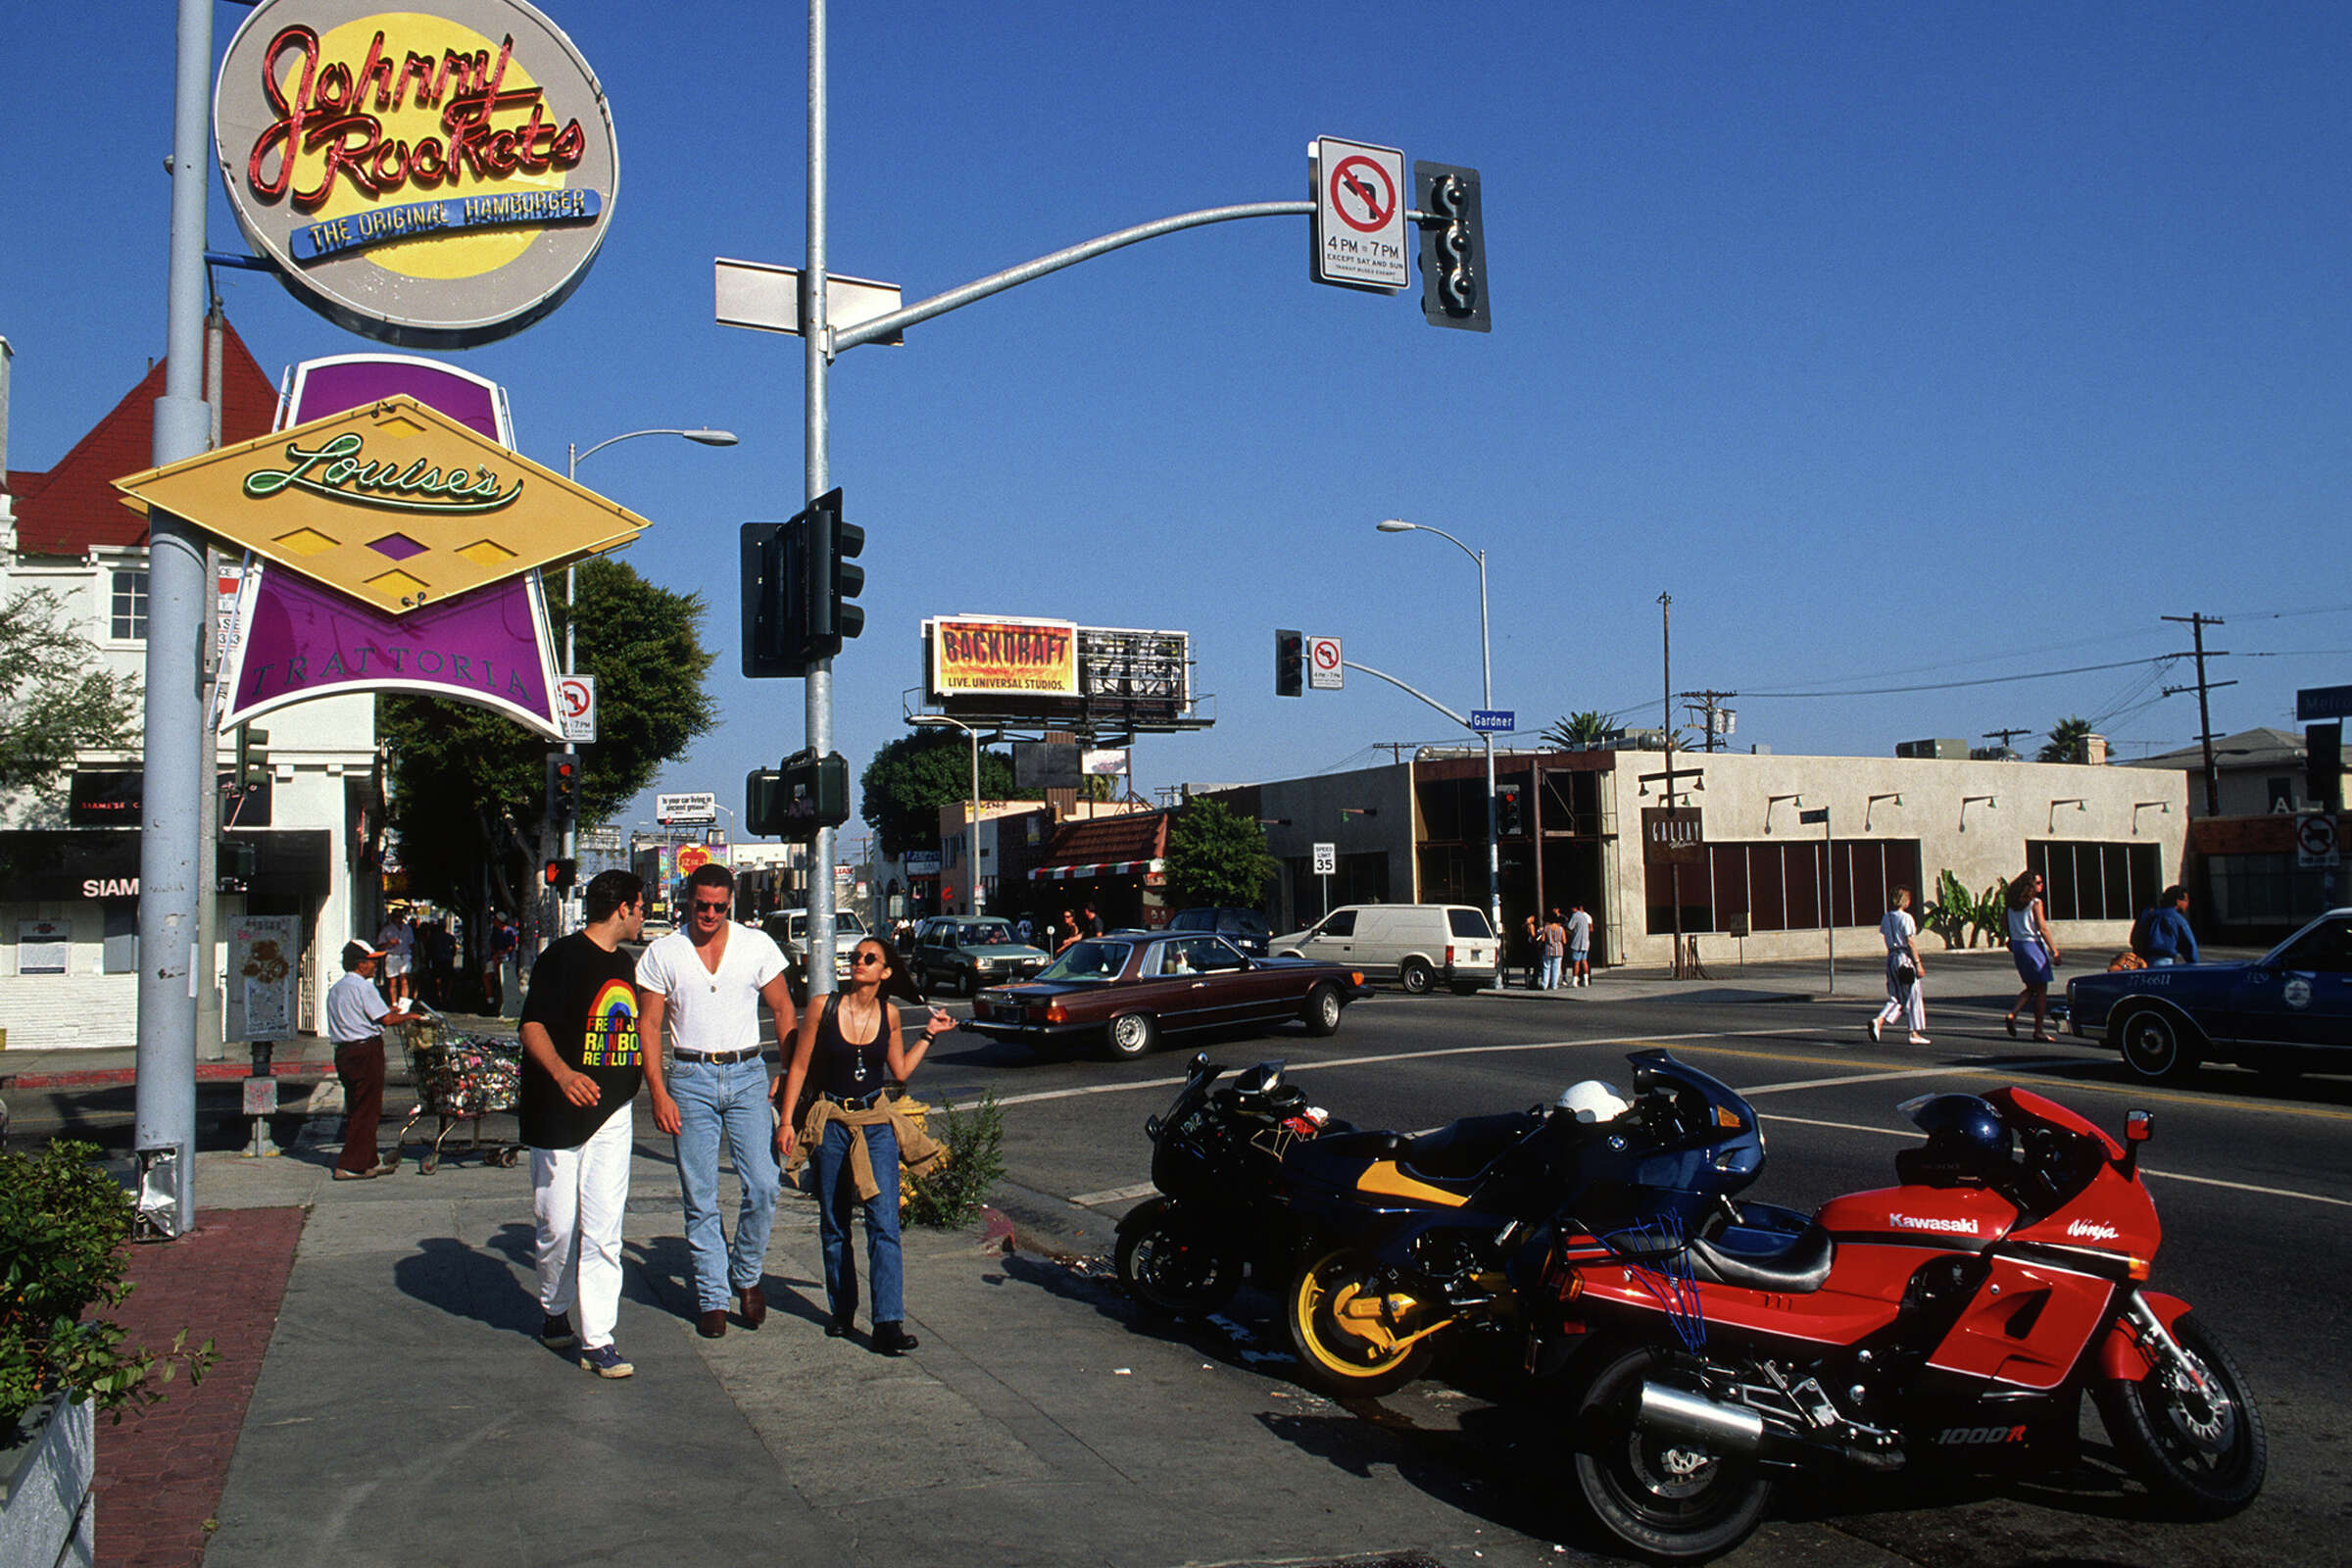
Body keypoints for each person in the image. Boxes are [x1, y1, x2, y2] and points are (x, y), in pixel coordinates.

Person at [636, 864, 796, 1339]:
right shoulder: (663, 952)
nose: (709, 914)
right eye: (701, 905)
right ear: (688, 901)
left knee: (764, 1184)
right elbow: (649, 1025)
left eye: (719, 907)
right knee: (700, 1194)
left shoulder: (756, 945)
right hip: (690, 1077)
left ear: (731, 904)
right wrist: (658, 1091)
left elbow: (784, 1008)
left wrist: (789, 1073)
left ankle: (745, 1274)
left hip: (747, 1074)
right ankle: (712, 1297)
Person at [776, 938, 956, 1355]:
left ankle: (887, 1323)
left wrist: (929, 1035)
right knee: (834, 1221)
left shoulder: (889, 1014)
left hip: (875, 1126)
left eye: (869, 958)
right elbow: (799, 1066)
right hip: (832, 1124)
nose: (859, 962)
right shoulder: (823, 1007)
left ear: (885, 972)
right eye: (856, 956)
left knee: (883, 1223)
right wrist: (786, 1122)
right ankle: (842, 1310)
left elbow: (899, 1071)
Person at [518, 870, 648, 1379]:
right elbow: (532, 1025)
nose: (643, 915)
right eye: (640, 906)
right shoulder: (562, 957)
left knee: (604, 1229)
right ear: (622, 908)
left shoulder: (624, 963)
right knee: (557, 1225)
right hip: (559, 1113)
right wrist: (564, 1074)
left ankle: (599, 1341)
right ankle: (554, 1307)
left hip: (613, 1110)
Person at [325, 940, 422, 1180]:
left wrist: (391, 1012)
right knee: (367, 1109)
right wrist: (411, 1016)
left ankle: (368, 1160)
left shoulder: (337, 988)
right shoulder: (363, 987)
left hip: (344, 1051)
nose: (375, 966)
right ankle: (350, 1164)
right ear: (360, 964)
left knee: (357, 1105)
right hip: (365, 1050)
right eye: (371, 961)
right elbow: (386, 1020)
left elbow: (369, 1014)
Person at [2003, 868, 2063, 1043]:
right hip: (2032, 945)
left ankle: (2013, 1013)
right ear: (2030, 886)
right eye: (2038, 883)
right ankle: (2039, 1030)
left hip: (2019, 945)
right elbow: (2042, 927)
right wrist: (2054, 950)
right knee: (2041, 989)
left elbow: (2004, 923)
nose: (2041, 885)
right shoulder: (2035, 903)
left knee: (2032, 987)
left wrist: (2011, 937)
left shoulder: (2011, 905)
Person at [1870, 886, 1930, 1046]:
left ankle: (1879, 1020)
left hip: (1891, 957)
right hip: (1904, 958)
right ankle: (1914, 1032)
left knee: (1896, 995)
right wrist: (1918, 963)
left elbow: (1885, 936)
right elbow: (1910, 942)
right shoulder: (1906, 918)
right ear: (1904, 900)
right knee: (1913, 994)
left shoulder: (1886, 917)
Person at [2142, 885, 2200, 966]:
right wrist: (2195, 964)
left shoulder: (2148, 914)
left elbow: (2135, 938)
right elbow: (2190, 946)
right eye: (2186, 900)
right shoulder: (2177, 919)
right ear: (2178, 901)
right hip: (2165, 962)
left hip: (2143, 962)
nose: (2187, 904)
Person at [375, 909, 415, 1006]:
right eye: (396, 916)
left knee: (404, 979)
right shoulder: (387, 929)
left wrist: (412, 956)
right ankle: (394, 1003)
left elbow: (411, 943)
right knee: (393, 981)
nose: (398, 918)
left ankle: (403, 1004)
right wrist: (389, 943)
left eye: (400, 916)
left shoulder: (407, 928)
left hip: (405, 955)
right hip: (392, 956)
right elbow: (380, 945)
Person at [485, 913, 518, 1011]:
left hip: (506, 958)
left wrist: (501, 954)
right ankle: (490, 1001)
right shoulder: (495, 932)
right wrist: (495, 955)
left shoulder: (510, 932)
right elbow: (492, 945)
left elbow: (511, 947)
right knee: (487, 976)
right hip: (495, 957)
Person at [1567, 903, 1594, 987]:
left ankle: (1575, 980)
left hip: (1577, 942)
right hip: (1585, 942)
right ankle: (1586, 980)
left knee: (1576, 962)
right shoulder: (1585, 916)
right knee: (1584, 961)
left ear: (1575, 908)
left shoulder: (1575, 916)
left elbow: (1570, 927)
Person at [1541, 908, 1568, 991]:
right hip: (1558, 948)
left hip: (1548, 948)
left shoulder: (1546, 928)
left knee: (1546, 967)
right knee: (1556, 968)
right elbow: (1564, 941)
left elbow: (1543, 939)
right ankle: (1554, 985)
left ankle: (1544, 984)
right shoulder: (1560, 928)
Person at [1520, 914, 1542, 990]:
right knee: (1537, 965)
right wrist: (1539, 934)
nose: (1534, 919)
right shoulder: (1531, 926)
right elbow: (1533, 935)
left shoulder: (1524, 926)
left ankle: (1527, 982)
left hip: (1525, 947)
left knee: (1527, 966)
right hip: (1532, 947)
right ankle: (1534, 982)